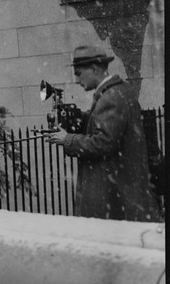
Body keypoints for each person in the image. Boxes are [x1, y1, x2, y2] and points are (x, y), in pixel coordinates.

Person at [46, 44, 160, 221]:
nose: (77, 80)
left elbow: (103, 143)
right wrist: (78, 118)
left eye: (78, 74)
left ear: (94, 68)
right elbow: (107, 126)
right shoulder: (117, 91)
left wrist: (67, 139)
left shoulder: (111, 97)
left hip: (115, 192)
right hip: (122, 189)